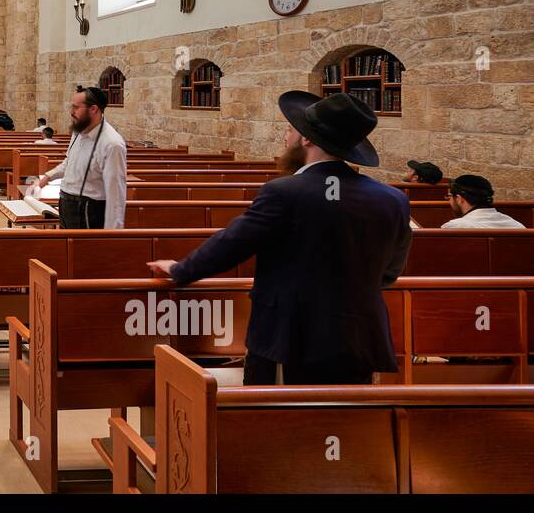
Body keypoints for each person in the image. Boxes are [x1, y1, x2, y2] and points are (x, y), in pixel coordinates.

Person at [148, 91, 411, 385]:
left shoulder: (285, 192)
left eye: (289, 130)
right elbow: (390, 270)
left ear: (307, 139)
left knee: (275, 424)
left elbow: (232, 244)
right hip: (359, 339)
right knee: (342, 423)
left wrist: (180, 269)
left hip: (290, 339)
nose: (285, 137)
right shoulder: (393, 200)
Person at [35, 86, 127, 229]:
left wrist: (111, 236)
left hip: (88, 211)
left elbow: (116, 196)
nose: (71, 112)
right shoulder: (78, 131)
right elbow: (69, 162)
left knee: (86, 252)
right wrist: (47, 177)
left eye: (76, 107)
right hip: (67, 206)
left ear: (94, 109)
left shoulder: (111, 144)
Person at [441, 174, 525, 229]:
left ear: (459, 199)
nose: (450, 201)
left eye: (450, 197)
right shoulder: (518, 226)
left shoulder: (453, 227)